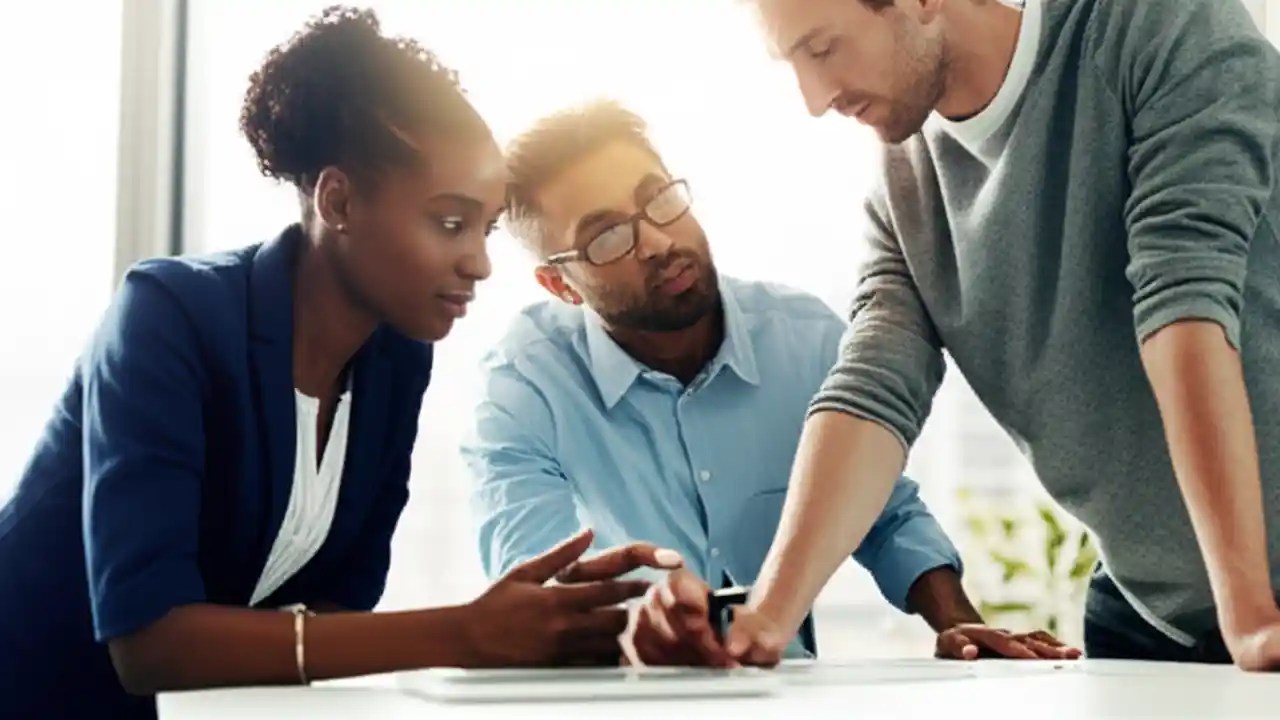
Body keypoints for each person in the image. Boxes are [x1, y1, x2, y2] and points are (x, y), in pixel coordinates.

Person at [0, 8, 668, 718]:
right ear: (339, 199)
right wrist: (462, 631)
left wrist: (532, 628)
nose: (477, 262)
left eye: (487, 227)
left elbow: (338, 603)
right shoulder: (169, 317)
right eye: (450, 223)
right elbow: (148, 643)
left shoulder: (397, 358)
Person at [724, 0, 1280, 671]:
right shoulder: (902, 192)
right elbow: (870, 392)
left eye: (821, 50)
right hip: (1148, 613)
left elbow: (1184, 298)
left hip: (1258, 606)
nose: (815, 100)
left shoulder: (1156, 27)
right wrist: (765, 622)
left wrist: (1250, 617)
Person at [463, 100, 1077, 666]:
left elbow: (881, 512)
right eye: (606, 237)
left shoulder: (805, 338)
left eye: (659, 200)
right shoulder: (523, 388)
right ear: (560, 286)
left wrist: (958, 623)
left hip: (781, 689)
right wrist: (632, 636)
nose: (656, 240)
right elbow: (534, 584)